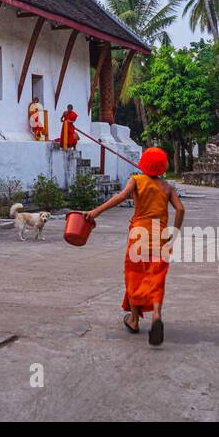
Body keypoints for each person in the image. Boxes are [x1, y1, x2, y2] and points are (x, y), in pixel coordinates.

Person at [84, 146, 185, 346]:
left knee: (135, 276)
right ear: (163, 167)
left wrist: (96, 211)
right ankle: (156, 315)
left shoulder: (136, 180)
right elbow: (180, 209)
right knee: (156, 279)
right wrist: (174, 233)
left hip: (139, 237)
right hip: (160, 237)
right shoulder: (167, 187)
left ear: (143, 164)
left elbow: (121, 197)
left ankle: (134, 320)